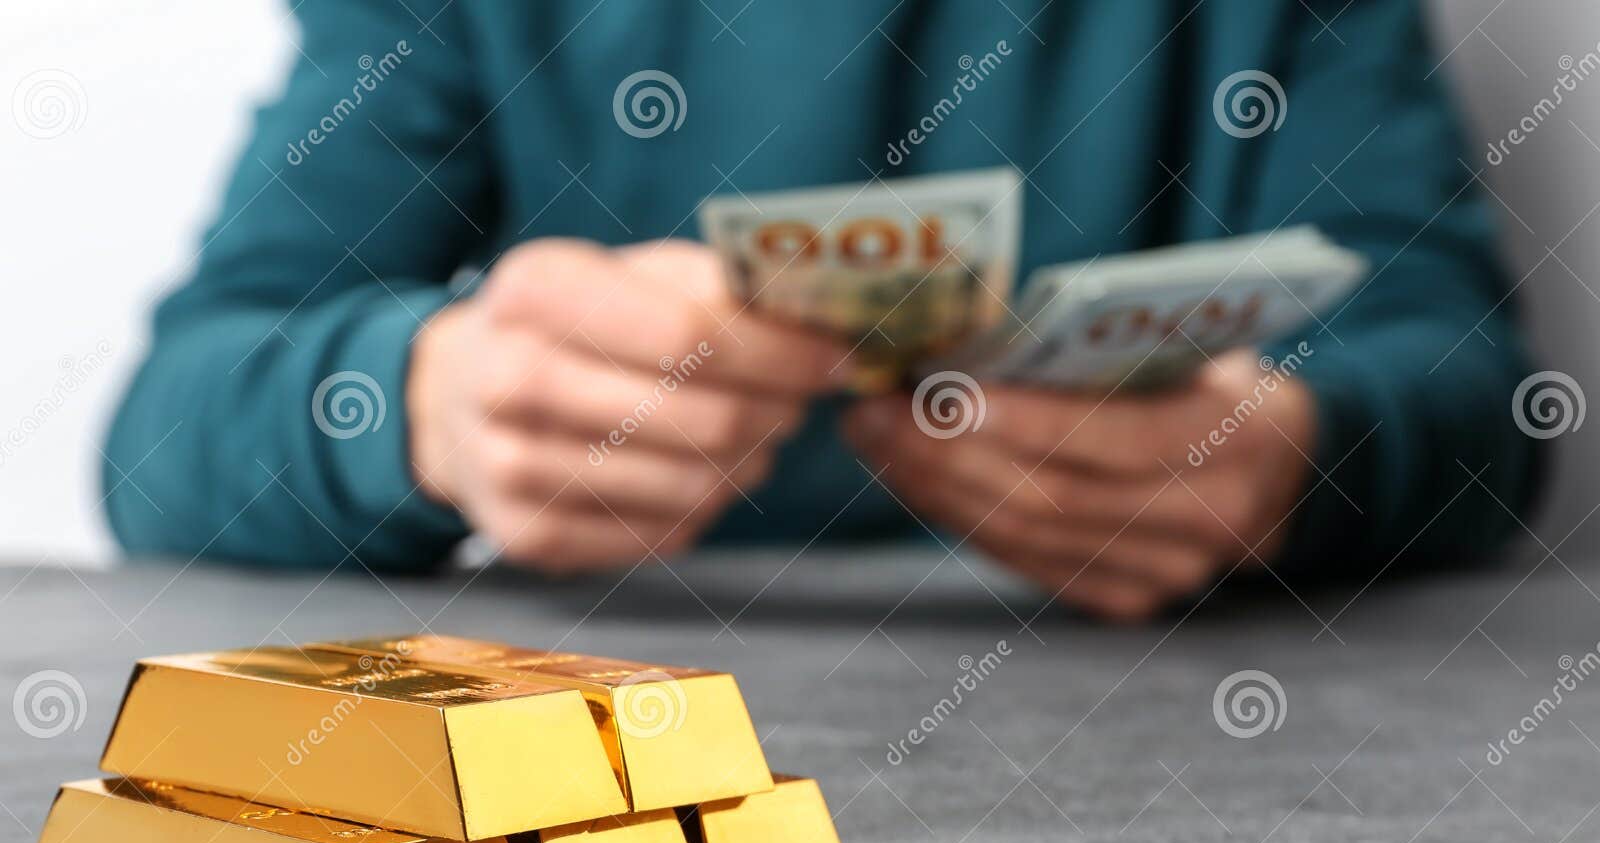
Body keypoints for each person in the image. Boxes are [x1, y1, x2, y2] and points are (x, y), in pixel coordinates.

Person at [103, 0, 1540, 621]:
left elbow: (1480, 391)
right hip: (615, 728)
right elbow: (167, 432)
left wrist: (1292, 459)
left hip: (1165, 730)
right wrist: (427, 404)